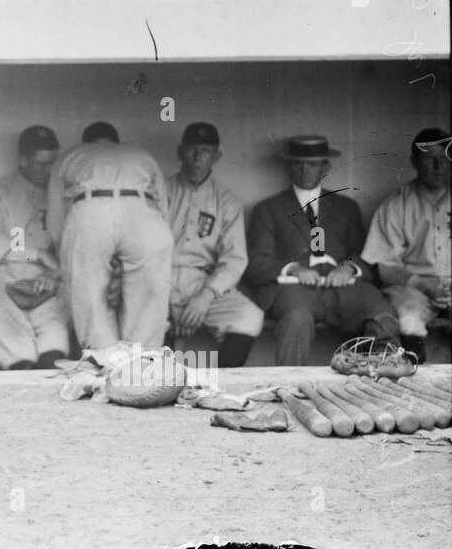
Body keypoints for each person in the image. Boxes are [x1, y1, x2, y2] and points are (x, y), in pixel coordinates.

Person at [245, 135, 400, 365]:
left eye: (313, 164)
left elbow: (366, 257)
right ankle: (290, 389)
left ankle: (376, 386)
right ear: (289, 166)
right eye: (298, 163)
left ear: (325, 167)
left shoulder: (346, 208)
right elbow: (257, 263)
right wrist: (294, 269)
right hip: (295, 290)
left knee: (380, 314)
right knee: (296, 320)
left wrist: (348, 269)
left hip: (344, 288)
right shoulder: (268, 209)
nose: (304, 170)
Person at [46, 122, 173, 351]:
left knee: (89, 295)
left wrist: (68, 253)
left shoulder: (71, 156)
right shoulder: (140, 154)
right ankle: (141, 363)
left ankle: (102, 358)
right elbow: (164, 209)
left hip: (90, 209)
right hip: (142, 210)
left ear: (85, 144)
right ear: (117, 143)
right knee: (147, 302)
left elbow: (56, 221)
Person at [0, 125, 72, 370]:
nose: (48, 171)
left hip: (44, 278)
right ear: (23, 160)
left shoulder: (64, 195)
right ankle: (22, 370)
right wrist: (37, 254)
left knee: (53, 331)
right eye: (40, 164)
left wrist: (53, 273)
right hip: (1, 275)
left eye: (52, 163)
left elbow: (71, 244)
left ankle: (49, 366)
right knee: (13, 337)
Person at [165, 122, 263, 367]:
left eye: (205, 150)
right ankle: (157, 387)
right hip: (159, 280)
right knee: (148, 320)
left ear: (216, 156)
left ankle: (218, 387)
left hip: (202, 282)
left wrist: (203, 298)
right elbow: (143, 251)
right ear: (180, 152)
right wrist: (168, 301)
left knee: (249, 316)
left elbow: (234, 259)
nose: (198, 157)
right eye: (192, 149)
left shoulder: (227, 201)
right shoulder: (159, 191)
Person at [360, 128, 452, 363]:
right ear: (414, 162)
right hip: (414, 288)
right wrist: (426, 284)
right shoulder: (396, 205)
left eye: (444, 157)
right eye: (428, 158)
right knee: (409, 317)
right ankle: (415, 378)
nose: (437, 166)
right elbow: (385, 269)